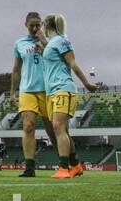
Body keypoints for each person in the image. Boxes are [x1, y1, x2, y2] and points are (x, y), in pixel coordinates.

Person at [40, 15, 101, 179]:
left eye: (42, 25)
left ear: (46, 25)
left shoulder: (62, 40)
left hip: (63, 88)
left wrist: (87, 84)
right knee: (61, 129)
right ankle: (75, 166)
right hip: (52, 91)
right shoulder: (51, 43)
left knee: (58, 126)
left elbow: (73, 63)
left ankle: (63, 168)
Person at [9, 11, 63, 178]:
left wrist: (44, 42)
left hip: (47, 88)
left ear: (42, 25)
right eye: (31, 25)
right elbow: (16, 69)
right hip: (27, 90)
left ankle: (65, 163)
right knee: (28, 125)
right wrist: (12, 93)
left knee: (52, 128)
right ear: (25, 24)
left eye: (37, 25)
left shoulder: (52, 42)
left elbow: (59, 60)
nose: (34, 28)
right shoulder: (19, 44)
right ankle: (30, 167)